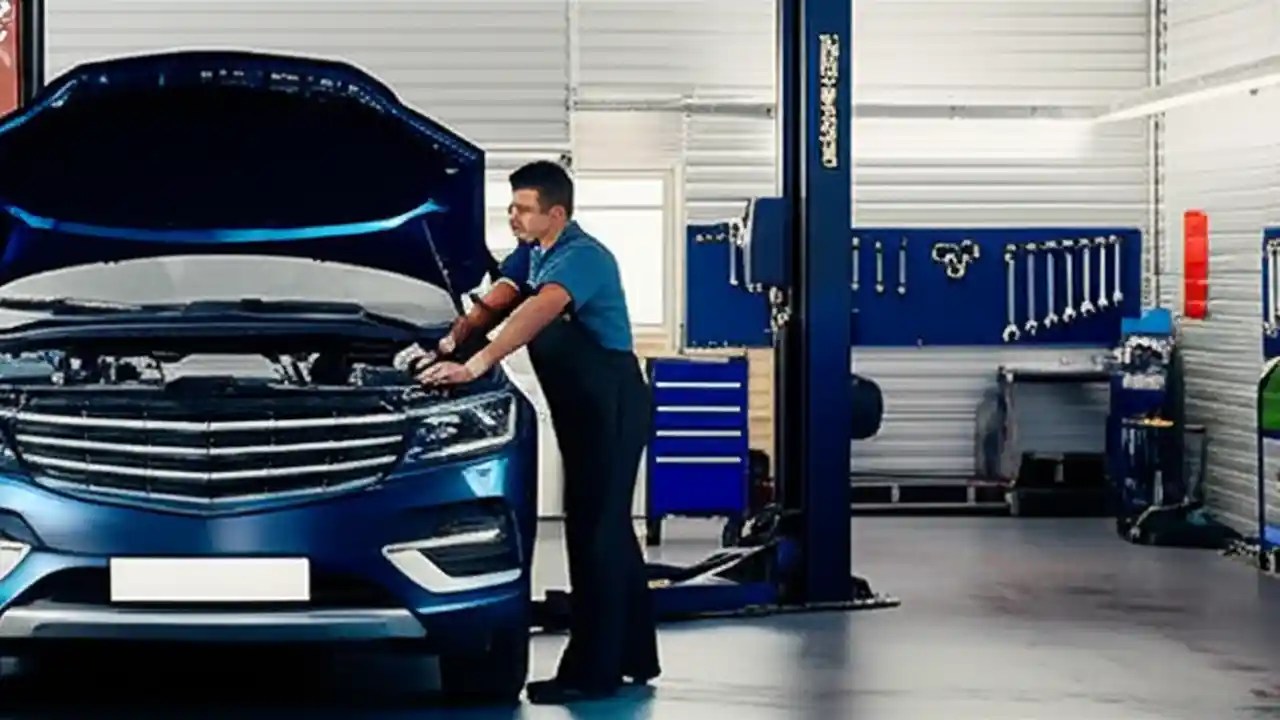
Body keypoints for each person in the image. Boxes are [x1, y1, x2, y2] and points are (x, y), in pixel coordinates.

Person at [414, 160, 660, 704]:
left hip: (612, 403)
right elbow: (496, 301)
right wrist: (449, 344)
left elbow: (534, 315)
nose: (513, 217)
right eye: (511, 208)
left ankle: (592, 674)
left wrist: (476, 367)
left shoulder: (583, 257)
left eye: (524, 209)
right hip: (584, 407)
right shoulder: (533, 253)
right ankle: (636, 655)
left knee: (595, 534)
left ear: (557, 212)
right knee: (606, 527)